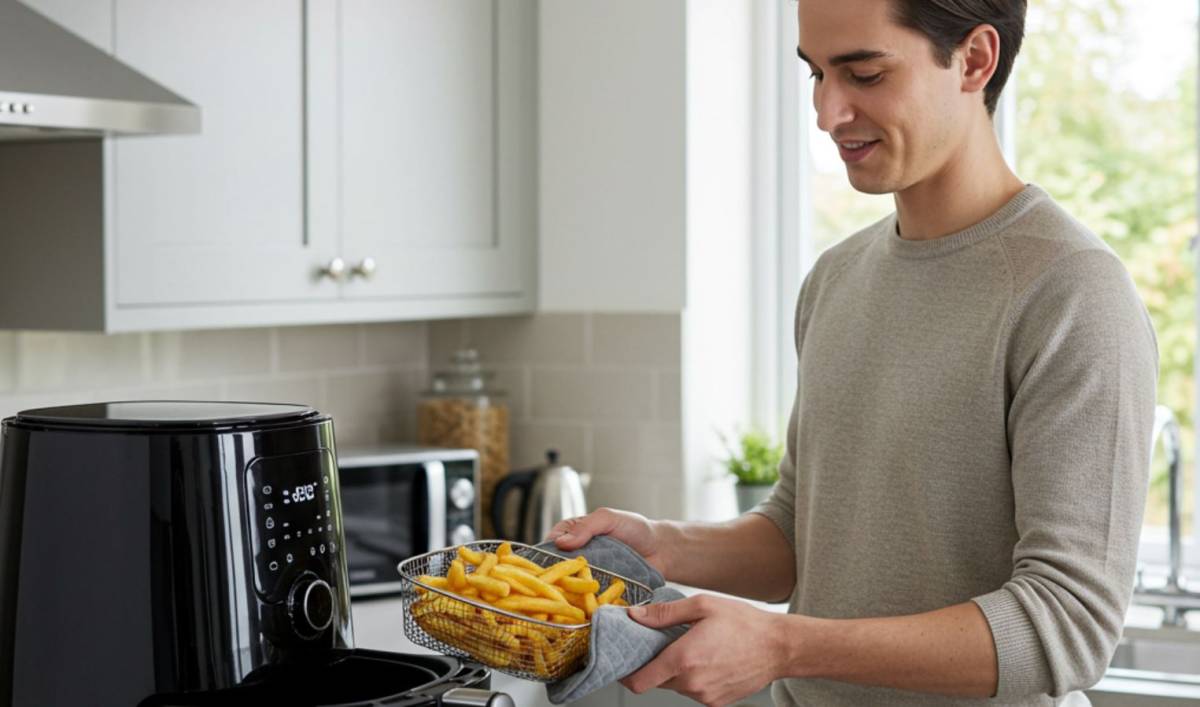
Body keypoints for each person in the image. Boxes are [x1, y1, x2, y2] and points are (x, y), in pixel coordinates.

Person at [549, 0, 1160, 705]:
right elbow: (801, 533)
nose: (827, 112)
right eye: (815, 75)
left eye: (864, 74)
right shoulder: (836, 279)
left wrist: (785, 644)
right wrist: (661, 545)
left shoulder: (1072, 292)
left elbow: (1068, 623)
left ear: (976, 60)